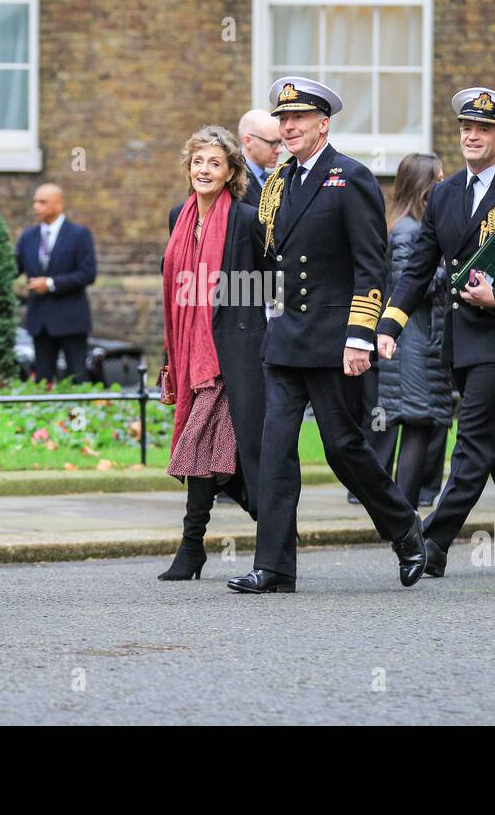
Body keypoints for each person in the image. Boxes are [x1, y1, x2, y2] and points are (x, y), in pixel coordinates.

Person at [228, 77, 426, 593]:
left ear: (324, 124)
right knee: (274, 451)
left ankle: (404, 528)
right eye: (282, 120)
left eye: (298, 119)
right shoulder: (276, 182)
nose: (288, 127)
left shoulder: (350, 177)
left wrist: (361, 337)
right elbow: (273, 260)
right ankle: (274, 567)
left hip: (335, 341)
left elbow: (371, 266)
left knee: (343, 448)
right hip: (286, 340)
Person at [378, 88, 495, 577]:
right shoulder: (443, 193)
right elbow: (418, 269)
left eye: (482, 129)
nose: (471, 136)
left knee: (474, 440)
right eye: (466, 128)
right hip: (461, 339)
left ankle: (431, 543)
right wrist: (390, 323)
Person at [158, 125, 270, 579]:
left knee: (199, 445)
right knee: (217, 454)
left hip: (229, 355)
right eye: (198, 162)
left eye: (214, 163)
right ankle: (273, 525)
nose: (204, 170)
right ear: (189, 167)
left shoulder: (245, 219)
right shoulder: (176, 217)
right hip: (189, 351)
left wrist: (228, 303)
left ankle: (191, 548)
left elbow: (269, 281)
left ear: (230, 173)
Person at [372, 153, 452, 510]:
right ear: (424, 187)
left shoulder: (415, 227)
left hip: (420, 342)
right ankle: (402, 513)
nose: (444, 184)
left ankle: (404, 511)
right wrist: (455, 267)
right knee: (417, 424)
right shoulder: (408, 231)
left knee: (421, 424)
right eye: (439, 178)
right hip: (412, 344)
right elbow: (411, 285)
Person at [15, 184, 97, 384]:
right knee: (43, 382)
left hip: (70, 319)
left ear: (58, 205)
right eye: (35, 201)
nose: (36, 206)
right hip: (40, 322)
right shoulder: (28, 236)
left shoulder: (79, 235)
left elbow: (88, 273)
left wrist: (51, 283)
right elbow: (13, 268)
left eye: (42, 202)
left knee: (77, 379)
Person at [237, 108, 284, 208]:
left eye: (280, 142)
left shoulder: (271, 179)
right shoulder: (233, 180)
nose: (279, 150)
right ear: (248, 141)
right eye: (272, 143)